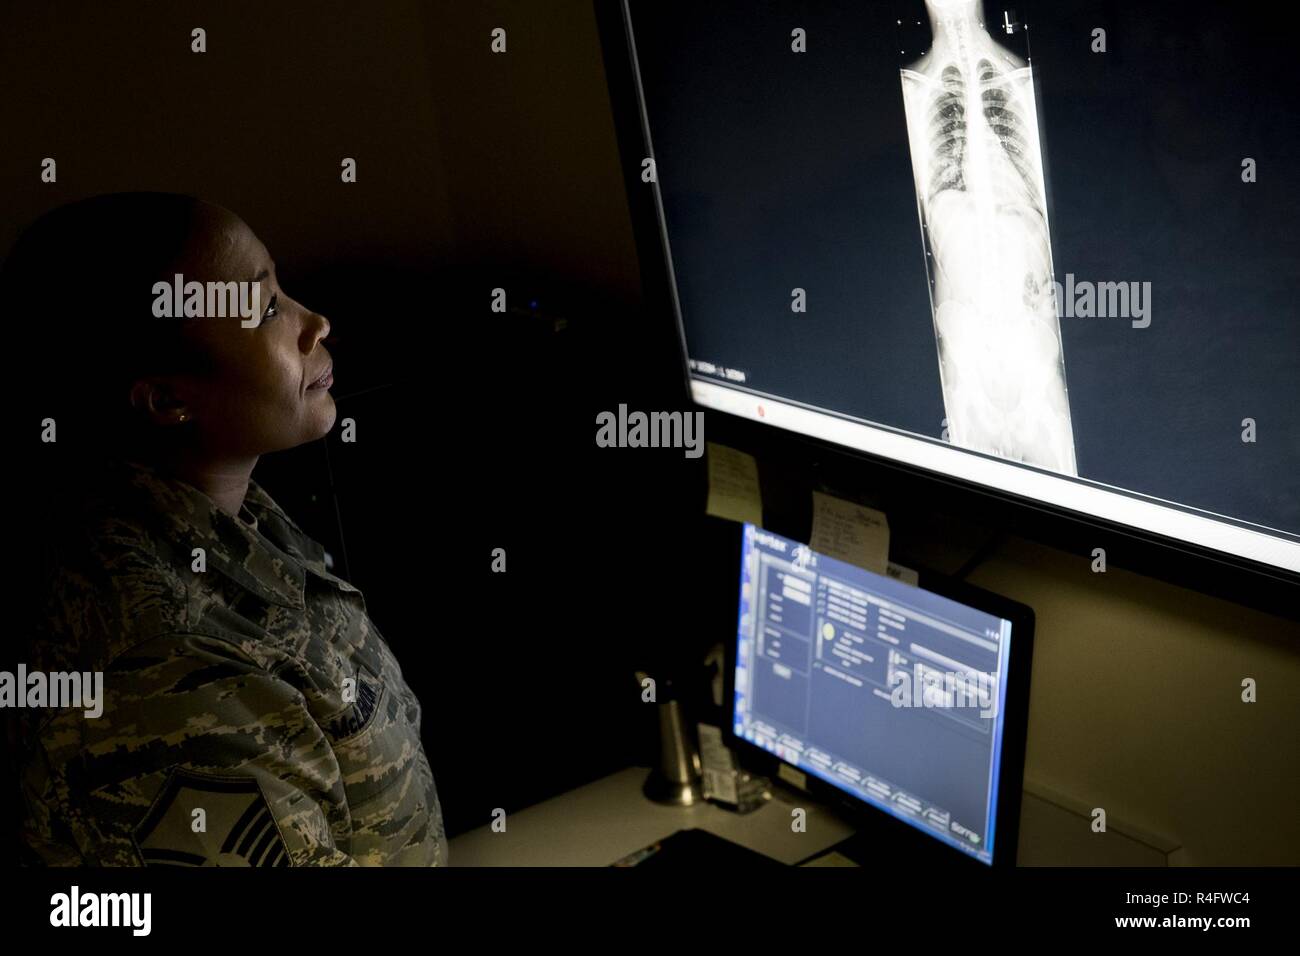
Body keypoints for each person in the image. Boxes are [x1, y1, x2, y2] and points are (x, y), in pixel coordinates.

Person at [3, 193, 447, 866]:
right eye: (265, 308)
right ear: (168, 400)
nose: (314, 323)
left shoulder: (230, 514)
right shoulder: (162, 668)